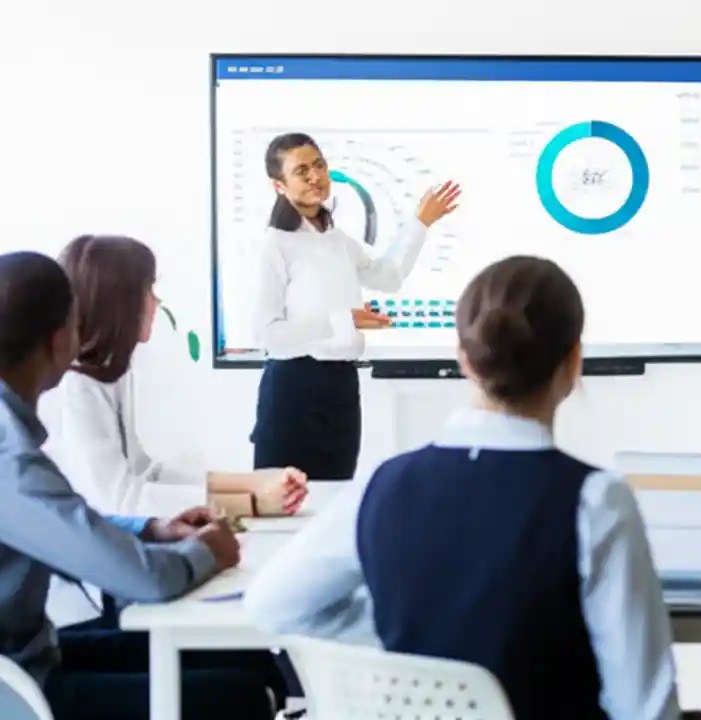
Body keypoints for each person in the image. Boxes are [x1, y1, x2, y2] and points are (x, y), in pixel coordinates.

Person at [245, 256, 701, 720]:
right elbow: (645, 709)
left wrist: (409, 643)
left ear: (464, 360)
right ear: (574, 360)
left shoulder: (381, 486)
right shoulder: (596, 501)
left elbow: (272, 605)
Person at [0, 251, 282, 719]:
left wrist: (150, 529)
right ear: (58, 342)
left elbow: (56, 524)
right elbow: (143, 579)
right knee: (238, 696)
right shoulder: (12, 461)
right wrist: (207, 551)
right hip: (21, 690)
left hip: (33, 656)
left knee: (247, 659)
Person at [47, 234, 307, 521]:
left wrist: (252, 481)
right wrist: (251, 503)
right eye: (147, 290)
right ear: (119, 302)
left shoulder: (109, 372)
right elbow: (119, 501)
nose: (156, 301)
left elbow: (145, 472)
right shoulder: (76, 386)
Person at [251, 132, 461, 480]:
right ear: (279, 185)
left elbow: (388, 277)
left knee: (334, 496)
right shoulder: (275, 244)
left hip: (341, 387)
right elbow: (267, 333)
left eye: (319, 165)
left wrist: (420, 222)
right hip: (293, 391)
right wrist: (341, 320)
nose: (315, 176)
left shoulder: (336, 240)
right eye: (301, 171)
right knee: (281, 504)